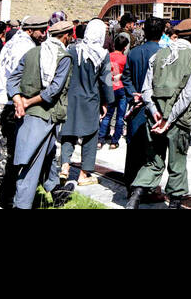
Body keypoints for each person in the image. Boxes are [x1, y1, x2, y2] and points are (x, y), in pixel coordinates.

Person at [125, 18, 191, 208]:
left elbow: (146, 90)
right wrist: (168, 119)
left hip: (154, 118)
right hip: (178, 120)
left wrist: (155, 112)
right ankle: (175, 202)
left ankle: (134, 199)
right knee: (177, 163)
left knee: (154, 161)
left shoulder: (158, 55)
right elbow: (186, 96)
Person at [11, 19, 75, 209]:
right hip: (44, 115)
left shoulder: (32, 52)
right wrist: (25, 102)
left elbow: (12, 78)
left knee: (48, 154)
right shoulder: (64, 57)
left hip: (29, 113)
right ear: (66, 36)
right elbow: (53, 90)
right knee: (31, 163)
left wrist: (18, 100)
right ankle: (21, 205)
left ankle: (56, 191)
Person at [0, 15, 40, 209]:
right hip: (10, 103)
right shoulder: (26, 47)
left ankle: (3, 197)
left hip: (1, 99)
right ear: (30, 30)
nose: (43, 34)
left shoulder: (11, 43)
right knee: (2, 155)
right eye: (41, 30)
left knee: (7, 154)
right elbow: (20, 79)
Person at [58, 18, 113, 186]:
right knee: (90, 135)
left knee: (69, 132)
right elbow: (106, 81)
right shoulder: (102, 55)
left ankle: (65, 167)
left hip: (72, 97)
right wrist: (107, 101)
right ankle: (84, 173)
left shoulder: (73, 50)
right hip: (91, 98)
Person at [122, 16, 165, 186]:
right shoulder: (164, 54)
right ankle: (149, 188)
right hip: (156, 108)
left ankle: (130, 184)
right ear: (162, 33)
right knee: (154, 151)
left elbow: (126, 77)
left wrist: (133, 93)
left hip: (137, 106)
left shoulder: (134, 52)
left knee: (134, 148)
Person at [99, 33, 129, 148]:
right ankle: (114, 141)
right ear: (125, 47)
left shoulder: (108, 56)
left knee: (107, 115)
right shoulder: (125, 59)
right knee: (120, 117)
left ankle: (100, 139)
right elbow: (126, 74)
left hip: (109, 87)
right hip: (121, 87)